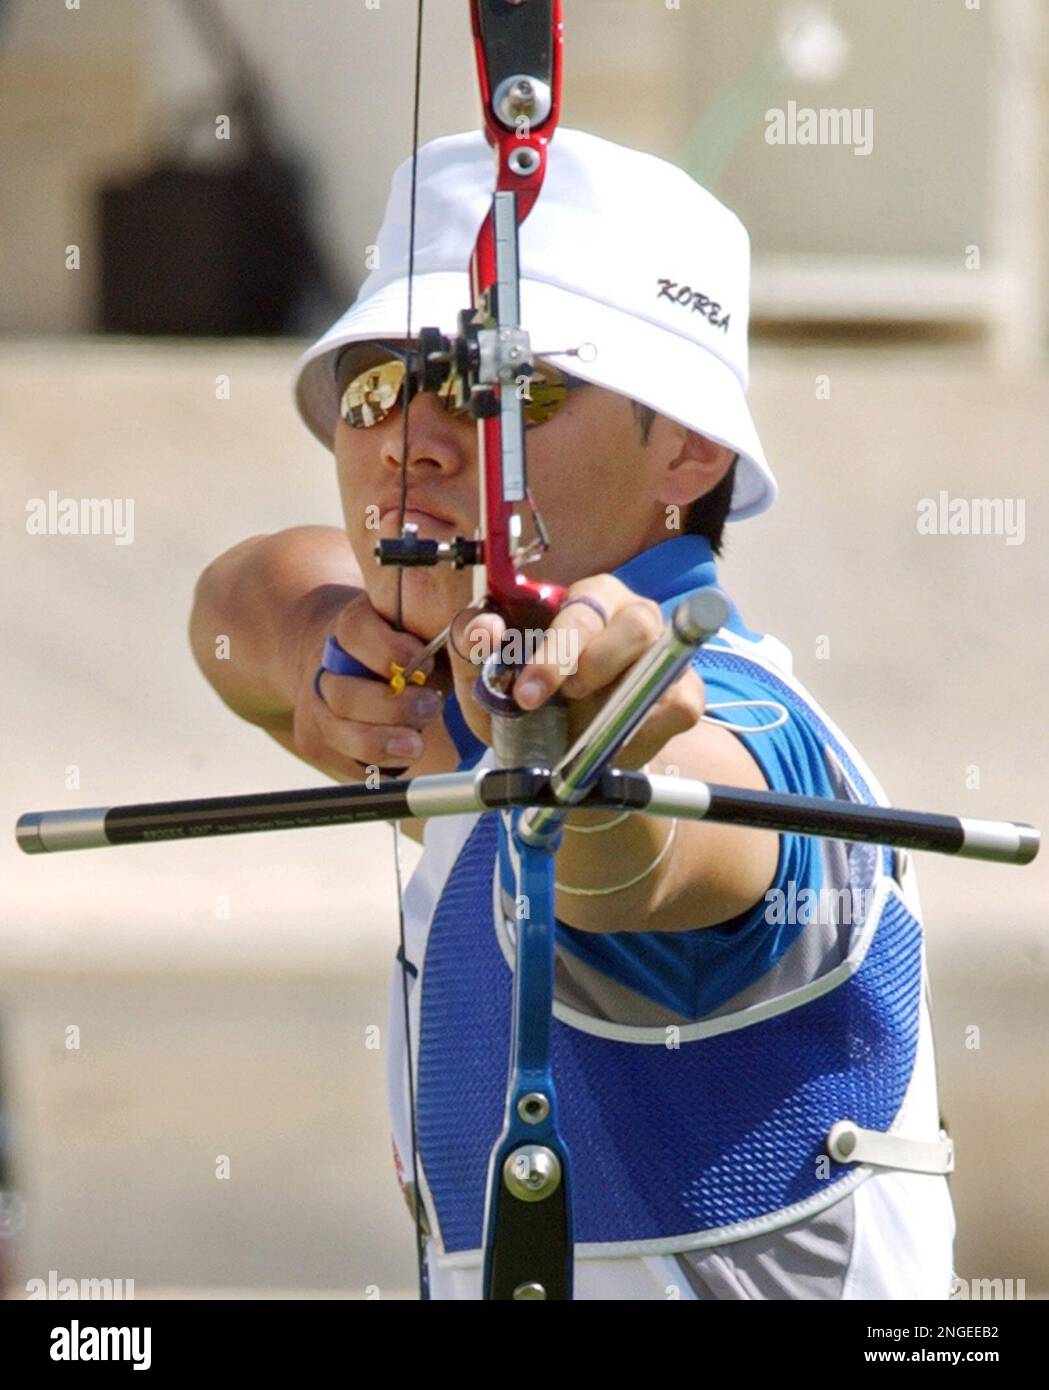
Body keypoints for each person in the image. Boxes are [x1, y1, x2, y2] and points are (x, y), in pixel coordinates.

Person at [190, 128, 956, 1300]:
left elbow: (646, 853)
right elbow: (234, 601)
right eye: (378, 385)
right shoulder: (457, 702)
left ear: (688, 448)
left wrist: (595, 747)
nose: (408, 440)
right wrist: (311, 650)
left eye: (508, 387)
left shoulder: (747, 730)